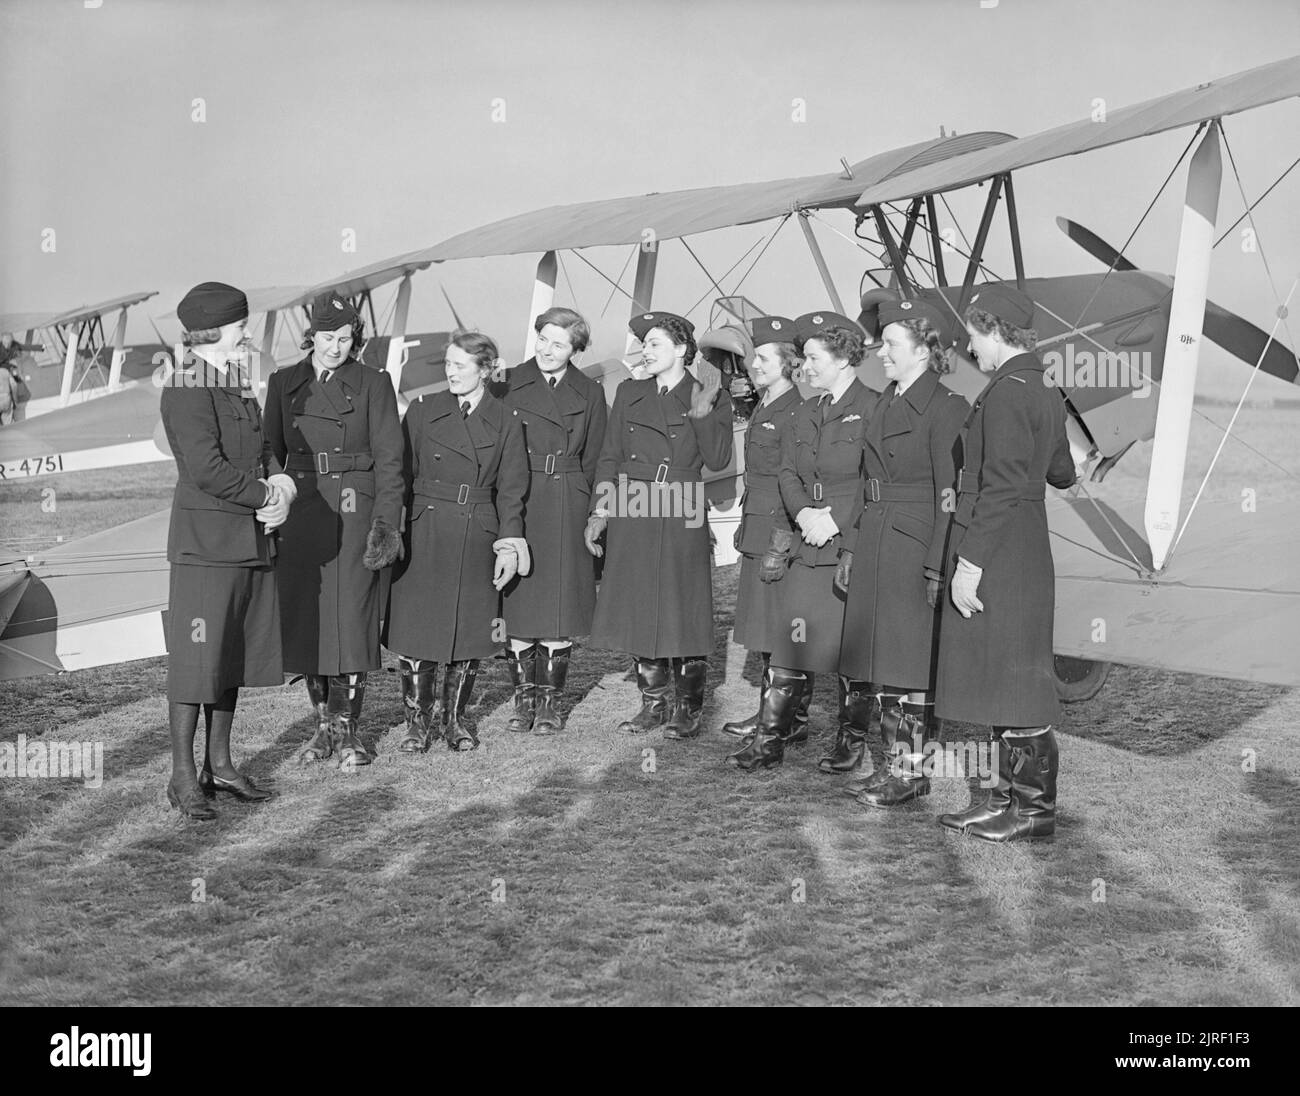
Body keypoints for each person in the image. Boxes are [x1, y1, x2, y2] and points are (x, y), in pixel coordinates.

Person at [935, 284, 1076, 841]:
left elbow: (1001, 486)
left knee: (1015, 680)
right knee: (1000, 675)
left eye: (973, 334)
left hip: (1002, 547)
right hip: (1019, 542)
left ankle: (1035, 812)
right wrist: (1066, 473)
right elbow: (1061, 468)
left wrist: (969, 563)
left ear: (994, 331)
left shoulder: (1010, 389)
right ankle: (1001, 800)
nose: (970, 347)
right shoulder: (1040, 382)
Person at [160, 282, 293, 819]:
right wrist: (265, 495)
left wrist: (283, 485)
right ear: (214, 328)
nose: (247, 332)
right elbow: (207, 470)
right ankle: (183, 777)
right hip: (207, 547)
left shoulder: (233, 383)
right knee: (197, 661)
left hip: (247, 541)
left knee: (229, 654)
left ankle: (220, 765)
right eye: (241, 324)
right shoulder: (188, 385)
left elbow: (261, 449)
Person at [729, 312, 877, 771]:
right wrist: (806, 513)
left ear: (843, 357)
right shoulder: (807, 412)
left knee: (849, 651)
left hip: (846, 542)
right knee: (790, 642)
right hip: (804, 539)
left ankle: (849, 744)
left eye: (814, 358)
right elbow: (788, 472)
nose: (806, 367)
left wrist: (834, 520)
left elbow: (875, 479)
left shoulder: (873, 407)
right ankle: (770, 739)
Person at [835, 297, 968, 806]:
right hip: (874, 538)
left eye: (891, 344)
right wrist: (851, 547)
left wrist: (937, 563)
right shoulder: (887, 400)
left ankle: (911, 774)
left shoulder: (947, 407)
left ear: (924, 347)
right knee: (885, 658)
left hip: (913, 546)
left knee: (911, 663)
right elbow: (866, 480)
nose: (880, 352)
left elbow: (949, 495)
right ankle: (893, 765)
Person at [264, 294, 405, 767]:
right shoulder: (284, 383)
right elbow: (269, 448)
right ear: (312, 336)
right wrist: (276, 493)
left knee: (350, 620)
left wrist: (386, 523)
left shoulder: (373, 383)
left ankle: (349, 733)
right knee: (310, 622)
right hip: (303, 511)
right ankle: (323, 730)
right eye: (327, 338)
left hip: (355, 513)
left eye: (345, 338)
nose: (335, 348)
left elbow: (390, 459)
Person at [586, 311, 733, 738]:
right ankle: (652, 705)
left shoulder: (706, 393)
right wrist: (600, 510)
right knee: (639, 602)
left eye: (654, 344)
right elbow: (610, 457)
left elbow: (720, 459)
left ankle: (687, 708)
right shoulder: (630, 393)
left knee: (682, 604)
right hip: (634, 501)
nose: (644, 352)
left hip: (680, 499)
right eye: (644, 344)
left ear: (682, 350)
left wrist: (703, 413)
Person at [386, 330, 530, 751]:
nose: (450, 373)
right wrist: (391, 528)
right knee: (418, 627)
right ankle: (417, 723)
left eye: (460, 366)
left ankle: (454, 720)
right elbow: (399, 475)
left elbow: (512, 489)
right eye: (447, 364)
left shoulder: (506, 420)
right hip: (425, 528)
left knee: (468, 630)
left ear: (485, 370)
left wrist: (509, 541)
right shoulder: (422, 409)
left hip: (476, 531)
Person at [497, 308, 606, 735]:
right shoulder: (506, 383)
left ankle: (550, 705)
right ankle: (523, 702)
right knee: (520, 602)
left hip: (567, 502)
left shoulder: (590, 392)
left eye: (558, 343)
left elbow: (598, 459)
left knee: (559, 605)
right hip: (519, 499)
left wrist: (598, 510)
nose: (546, 349)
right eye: (542, 338)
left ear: (575, 350)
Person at [719, 316, 809, 746]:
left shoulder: (796, 412)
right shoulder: (765, 404)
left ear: (789, 364)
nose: (754, 366)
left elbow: (796, 479)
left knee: (781, 626)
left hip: (777, 529)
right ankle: (772, 714)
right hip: (756, 524)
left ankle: (787, 720)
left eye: (764, 359)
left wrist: (781, 538)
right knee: (767, 628)